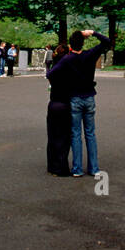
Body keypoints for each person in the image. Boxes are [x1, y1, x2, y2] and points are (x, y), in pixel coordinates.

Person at [49, 28, 112, 177]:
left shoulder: (67, 59)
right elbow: (107, 42)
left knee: (75, 134)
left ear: (70, 45)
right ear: (83, 43)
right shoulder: (90, 54)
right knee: (90, 133)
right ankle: (94, 168)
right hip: (89, 97)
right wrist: (93, 33)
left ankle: (77, 169)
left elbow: (50, 74)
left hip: (75, 98)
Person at [45, 44, 72, 175]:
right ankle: (62, 167)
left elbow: (48, 75)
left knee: (52, 136)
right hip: (65, 105)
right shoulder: (70, 70)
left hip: (53, 104)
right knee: (64, 138)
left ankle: (52, 166)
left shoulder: (53, 71)